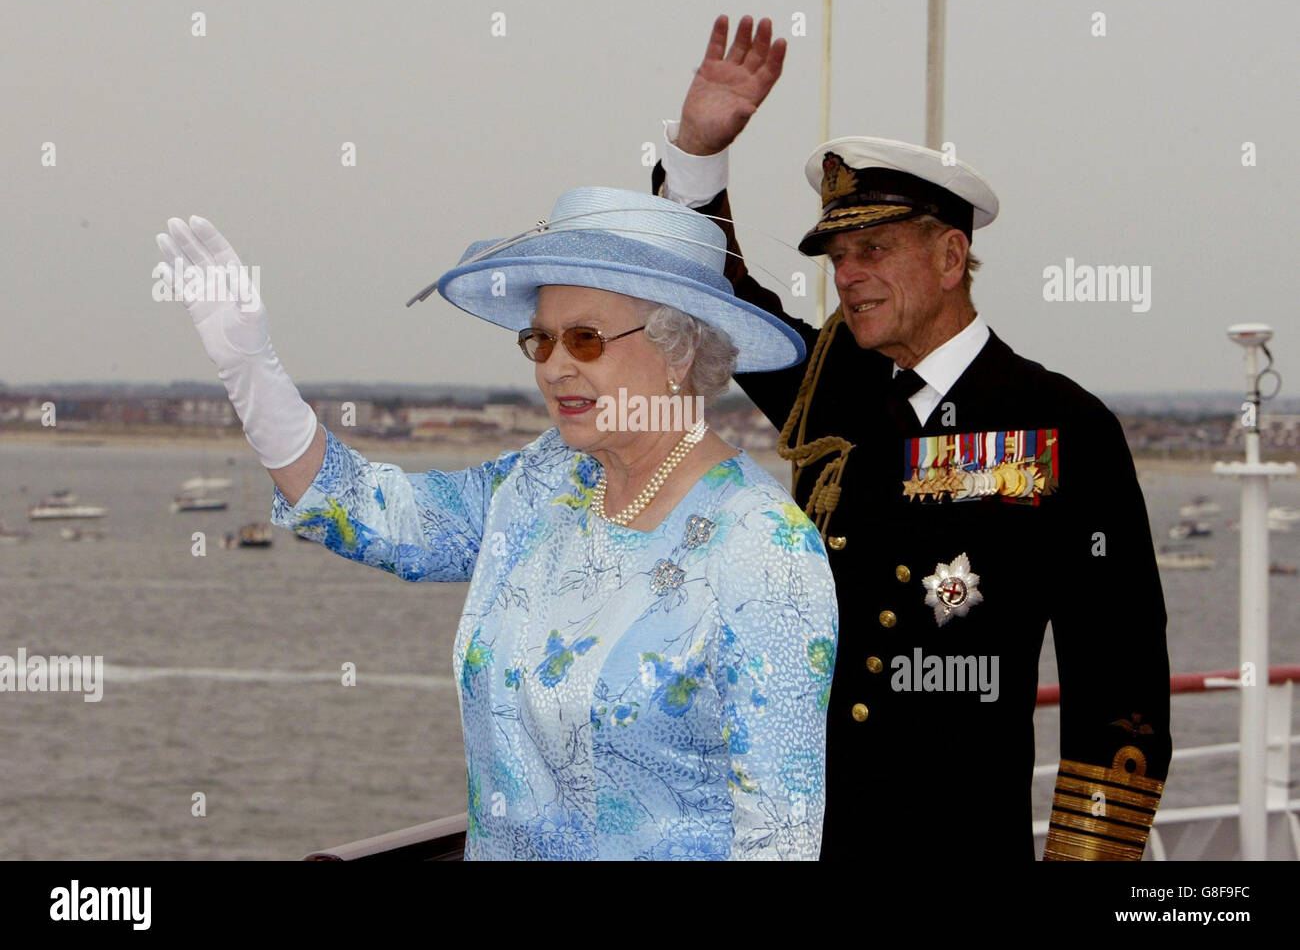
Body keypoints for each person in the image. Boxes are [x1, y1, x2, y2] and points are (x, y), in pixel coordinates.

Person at [153, 186, 839, 860]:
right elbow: (376, 515)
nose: (554, 368)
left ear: (679, 350)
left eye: (585, 340)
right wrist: (252, 373)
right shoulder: (543, 482)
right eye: (539, 341)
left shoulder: (763, 548)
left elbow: (778, 836)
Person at [651, 15, 1172, 860]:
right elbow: (717, 291)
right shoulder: (831, 383)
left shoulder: (1064, 426)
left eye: (873, 249)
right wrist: (699, 154)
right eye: (837, 256)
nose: (846, 275)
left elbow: (1120, 688)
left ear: (950, 257)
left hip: (957, 839)